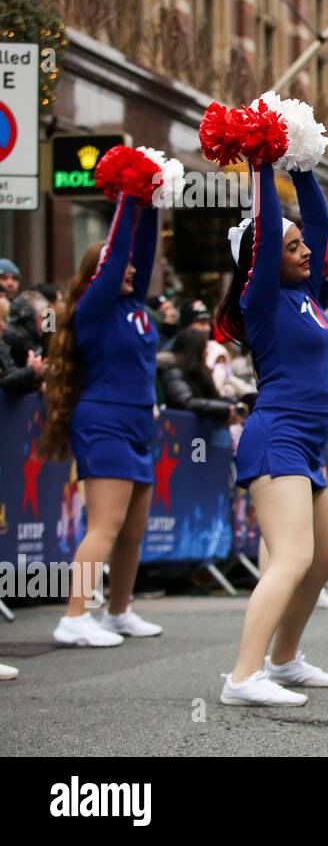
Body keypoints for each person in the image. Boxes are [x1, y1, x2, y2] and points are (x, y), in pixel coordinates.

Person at [215, 156, 328, 706]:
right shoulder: (260, 299)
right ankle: (243, 677)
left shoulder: (307, 294)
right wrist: (263, 163)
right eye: (291, 248)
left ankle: (285, 660)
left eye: (301, 246)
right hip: (277, 437)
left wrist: (303, 162)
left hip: (309, 444)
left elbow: (318, 220)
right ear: (263, 258)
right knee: (291, 558)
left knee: (322, 561)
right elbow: (269, 233)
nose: (305, 250)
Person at [42, 166, 164, 648]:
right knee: (106, 525)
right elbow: (117, 259)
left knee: (134, 529)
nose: (131, 268)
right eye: (120, 264)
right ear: (97, 274)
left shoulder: (137, 308)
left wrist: (152, 202)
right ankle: (74, 615)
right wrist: (128, 196)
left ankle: (119, 610)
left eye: (132, 265)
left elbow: (142, 254)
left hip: (138, 425)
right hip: (105, 423)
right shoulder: (93, 311)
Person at [157, 326, 246, 424]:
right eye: (204, 347)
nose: (207, 352)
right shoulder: (172, 369)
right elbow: (184, 402)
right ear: (195, 349)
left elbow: (211, 398)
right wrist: (225, 408)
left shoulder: (199, 370)